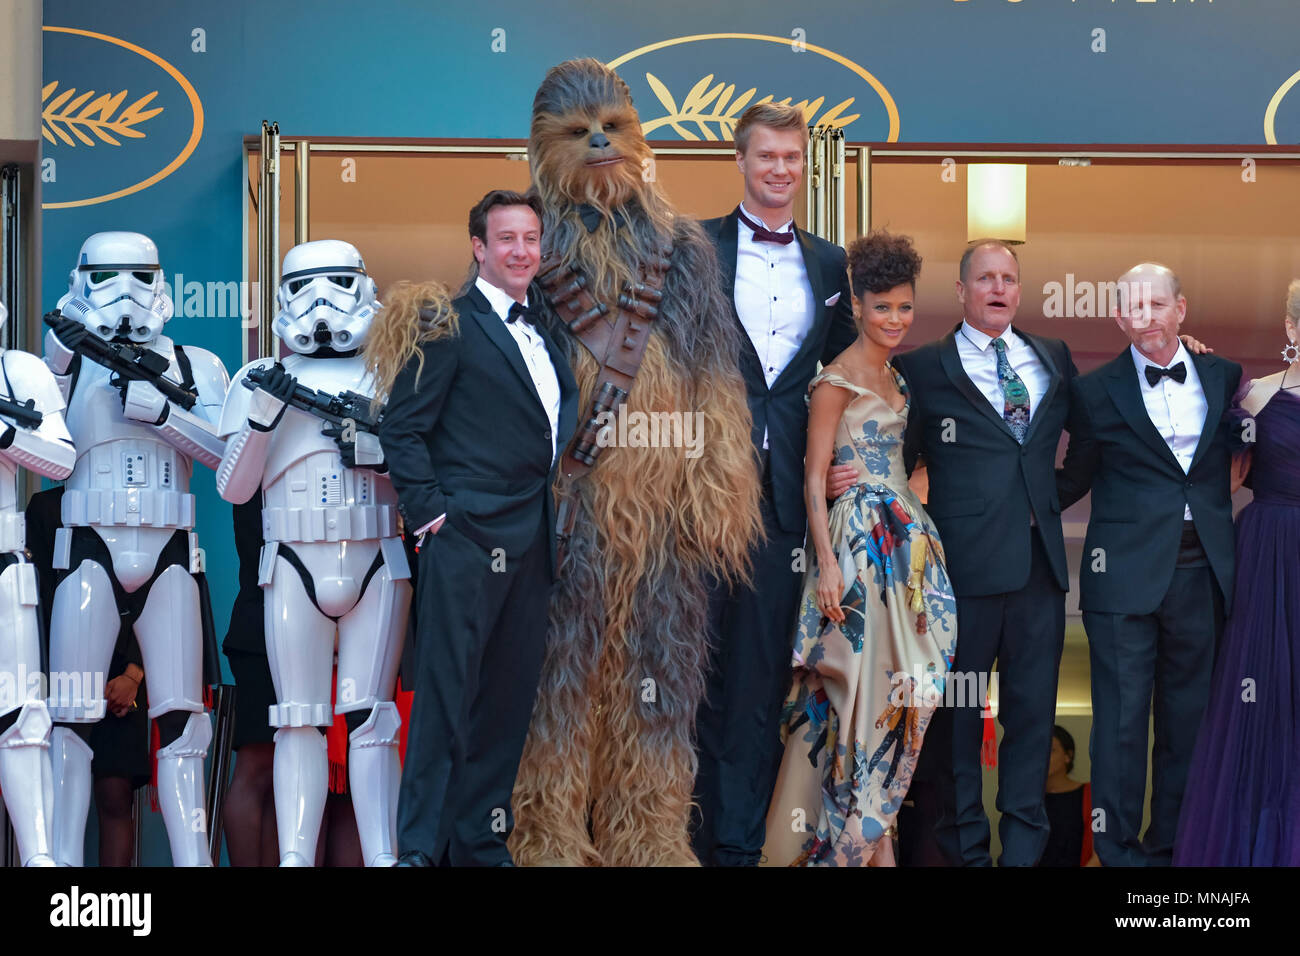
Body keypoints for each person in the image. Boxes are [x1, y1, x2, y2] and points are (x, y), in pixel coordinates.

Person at [378, 188, 577, 866]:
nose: (521, 251)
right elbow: (400, 427)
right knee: (444, 702)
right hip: (465, 542)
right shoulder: (448, 322)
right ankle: (418, 852)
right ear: (479, 248)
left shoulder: (543, 329)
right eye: (507, 240)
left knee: (505, 704)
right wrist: (433, 514)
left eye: (530, 239)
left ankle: (479, 842)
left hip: (531, 540)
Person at [693, 101, 858, 868]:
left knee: (759, 685)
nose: (781, 170)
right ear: (741, 162)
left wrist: (856, 456)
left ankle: (734, 846)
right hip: (696, 497)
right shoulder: (693, 249)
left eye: (792, 158)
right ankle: (674, 840)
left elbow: (855, 371)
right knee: (686, 675)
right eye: (767, 157)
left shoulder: (831, 266)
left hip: (788, 500)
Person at [762, 231, 956, 867]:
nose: (895, 320)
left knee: (905, 695)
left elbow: (906, 463)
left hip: (909, 555)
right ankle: (847, 849)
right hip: (855, 553)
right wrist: (823, 567)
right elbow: (814, 479)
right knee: (859, 699)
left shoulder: (900, 377)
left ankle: (871, 845)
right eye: (882, 308)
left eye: (904, 307)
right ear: (856, 303)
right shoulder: (835, 380)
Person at [217, 239, 409, 867]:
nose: (321, 303)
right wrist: (262, 419)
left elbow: (426, 478)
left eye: (337, 284)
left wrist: (377, 449)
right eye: (305, 287)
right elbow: (235, 488)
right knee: (296, 720)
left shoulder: (392, 371)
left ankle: (384, 857)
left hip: (376, 555)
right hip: (293, 561)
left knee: (372, 720)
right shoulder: (256, 380)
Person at [43, 231, 229, 867]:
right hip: (88, 548)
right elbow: (44, 452)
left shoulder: (195, 364)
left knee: (183, 725)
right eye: (107, 277)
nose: (125, 292)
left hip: (171, 551)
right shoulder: (64, 367)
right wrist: (61, 366)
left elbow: (228, 463)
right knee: (69, 723)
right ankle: (61, 871)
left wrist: (163, 415)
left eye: (138, 275)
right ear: (80, 282)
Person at [893, 240, 1078, 867]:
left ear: (1019, 289)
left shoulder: (1051, 356)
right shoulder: (922, 368)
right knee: (957, 727)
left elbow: (1097, 427)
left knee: (1031, 723)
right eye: (986, 278)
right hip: (961, 574)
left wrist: (1050, 500)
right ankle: (964, 854)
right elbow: (897, 458)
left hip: (1038, 573)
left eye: (1009, 278)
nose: (999, 288)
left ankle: (1022, 857)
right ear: (962, 290)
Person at [1057, 262, 1241, 867]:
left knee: (1189, 726)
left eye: (1159, 305)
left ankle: (1175, 852)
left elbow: (1248, 456)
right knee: (1119, 725)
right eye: (1136, 307)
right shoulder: (1091, 390)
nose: (1149, 317)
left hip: (1202, 573)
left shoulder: (1223, 375)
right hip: (1122, 580)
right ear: (1119, 318)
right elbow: (1075, 475)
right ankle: (1119, 856)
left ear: (1180, 309)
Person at [1174, 280, 1300, 866]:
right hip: (1271, 554)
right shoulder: (1254, 397)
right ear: (1291, 329)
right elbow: (1215, 473)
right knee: (1262, 700)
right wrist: (1190, 360)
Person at [1040, 725, 1099, 867]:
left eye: (1051, 750)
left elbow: (1102, 850)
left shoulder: (1092, 795)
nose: (1043, 756)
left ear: (1068, 755)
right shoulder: (1027, 801)